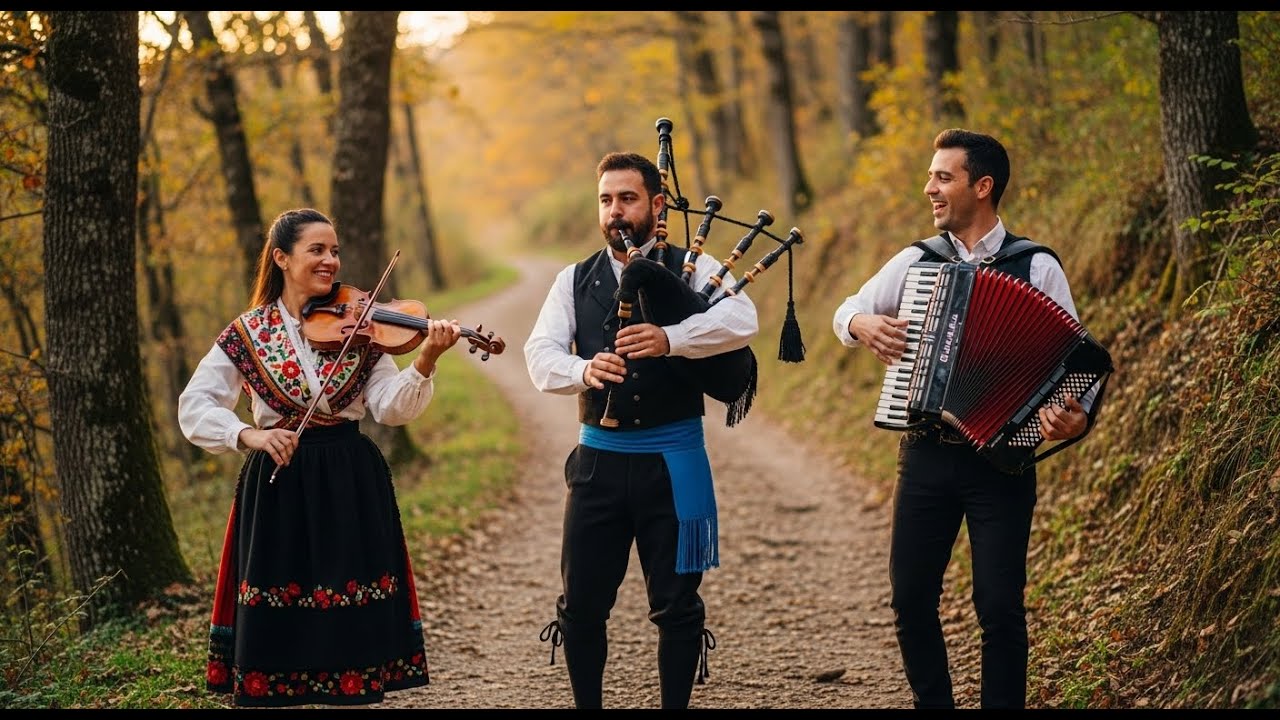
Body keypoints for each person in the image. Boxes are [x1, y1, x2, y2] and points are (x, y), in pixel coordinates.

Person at [831, 129, 1090, 709]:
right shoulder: (917, 259)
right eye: (930, 177)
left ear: (983, 186)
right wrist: (860, 325)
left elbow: (1073, 368)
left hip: (1002, 461)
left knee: (999, 607)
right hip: (924, 454)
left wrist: (1075, 421)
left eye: (942, 177)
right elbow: (846, 309)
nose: (930, 189)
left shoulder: (1037, 266)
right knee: (910, 598)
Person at [178, 208, 462, 708]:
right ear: (281, 258)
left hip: (349, 478)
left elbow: (391, 408)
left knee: (350, 621)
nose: (331, 261)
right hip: (279, 480)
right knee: (278, 618)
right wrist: (249, 435)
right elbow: (194, 405)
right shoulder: (248, 333)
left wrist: (426, 359)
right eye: (317, 250)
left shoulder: (363, 324)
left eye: (335, 251)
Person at [524, 151, 759, 709]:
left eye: (627, 198)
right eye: (606, 200)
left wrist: (670, 338)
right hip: (597, 465)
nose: (615, 211)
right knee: (581, 605)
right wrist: (583, 369)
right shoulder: (574, 278)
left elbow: (742, 321)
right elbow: (539, 355)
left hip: (673, 464)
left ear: (657, 206)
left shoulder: (692, 268)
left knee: (676, 606)